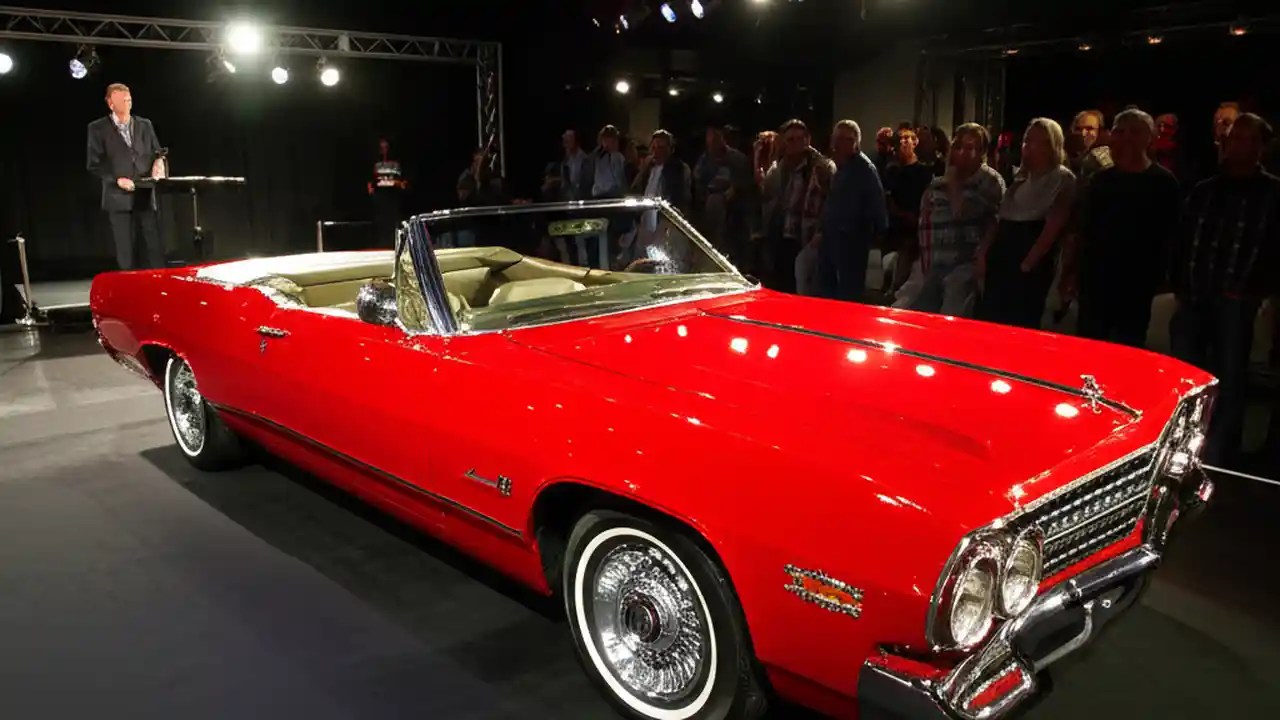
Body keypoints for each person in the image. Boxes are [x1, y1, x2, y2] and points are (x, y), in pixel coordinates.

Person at [1169, 113, 1280, 465]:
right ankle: (1178, 446)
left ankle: (1219, 455)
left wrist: (1254, 291)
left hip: (1237, 299)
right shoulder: (1206, 189)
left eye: (1247, 139)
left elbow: (1273, 250)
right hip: (1195, 294)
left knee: (1229, 377)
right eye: (1233, 139)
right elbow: (1184, 239)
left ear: (1261, 146)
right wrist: (1180, 284)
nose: (1237, 146)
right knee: (1185, 376)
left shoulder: (1272, 194)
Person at [1062, 109, 1180, 348]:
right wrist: (1071, 272)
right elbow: (1082, 230)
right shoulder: (1099, 181)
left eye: (1134, 132)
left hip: (1137, 285)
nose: (1126, 139)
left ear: (1149, 137)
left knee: (1127, 351)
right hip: (1095, 283)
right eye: (1120, 132)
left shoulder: (1164, 184)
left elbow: (1173, 237)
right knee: (1087, 350)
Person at [895, 123, 1005, 317]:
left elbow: (965, 213)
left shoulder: (990, 181)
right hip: (932, 264)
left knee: (950, 317)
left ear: (981, 153)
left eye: (970, 148)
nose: (961, 152)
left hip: (964, 266)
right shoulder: (937, 184)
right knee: (911, 313)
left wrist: (954, 183)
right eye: (958, 146)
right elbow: (925, 222)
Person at [977, 118, 1076, 329]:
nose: (1027, 147)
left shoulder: (1061, 179)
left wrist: (1027, 265)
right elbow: (999, 220)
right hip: (1003, 259)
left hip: (1028, 263)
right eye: (1025, 141)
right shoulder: (1019, 181)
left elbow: (1054, 226)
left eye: (1035, 142)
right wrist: (983, 254)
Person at [86, 83, 165, 269]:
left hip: (144, 190)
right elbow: (94, 164)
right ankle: (128, 286)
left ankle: (158, 283)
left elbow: (157, 151)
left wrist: (159, 162)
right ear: (110, 103)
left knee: (153, 244)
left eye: (128, 100)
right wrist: (116, 179)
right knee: (125, 248)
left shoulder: (144, 125)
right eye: (121, 100)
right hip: (117, 195)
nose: (126, 104)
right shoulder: (97, 128)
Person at [815, 120, 887, 301]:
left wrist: (873, 234)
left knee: (848, 293)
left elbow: (877, 204)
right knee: (827, 288)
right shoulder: (840, 168)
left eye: (844, 139)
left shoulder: (864, 170)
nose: (837, 144)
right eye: (836, 139)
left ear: (855, 142)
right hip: (832, 237)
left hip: (851, 240)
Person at [760, 120, 833, 294]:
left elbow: (832, 201)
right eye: (790, 140)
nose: (795, 144)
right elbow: (767, 194)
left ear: (808, 140)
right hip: (783, 236)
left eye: (799, 139)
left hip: (808, 237)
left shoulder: (822, 167)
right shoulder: (780, 167)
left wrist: (822, 232)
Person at [884, 126, 936, 292]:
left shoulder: (924, 174)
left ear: (915, 143)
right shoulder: (892, 172)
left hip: (912, 236)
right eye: (899, 140)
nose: (902, 143)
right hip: (892, 234)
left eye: (907, 139)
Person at [694, 123, 752, 261]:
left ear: (723, 138)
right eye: (710, 138)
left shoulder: (737, 158)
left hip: (734, 211)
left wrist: (735, 188)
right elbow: (697, 178)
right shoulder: (704, 159)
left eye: (716, 138)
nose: (712, 141)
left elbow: (747, 182)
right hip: (710, 206)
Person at [541, 129, 591, 202]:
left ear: (576, 142)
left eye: (569, 138)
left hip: (579, 198)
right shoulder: (566, 159)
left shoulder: (584, 160)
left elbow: (578, 182)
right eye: (565, 138)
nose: (565, 141)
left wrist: (557, 181)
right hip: (567, 198)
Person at [590, 125, 629, 200]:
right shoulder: (598, 157)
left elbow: (620, 179)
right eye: (604, 139)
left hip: (612, 196)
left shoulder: (617, 157)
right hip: (599, 195)